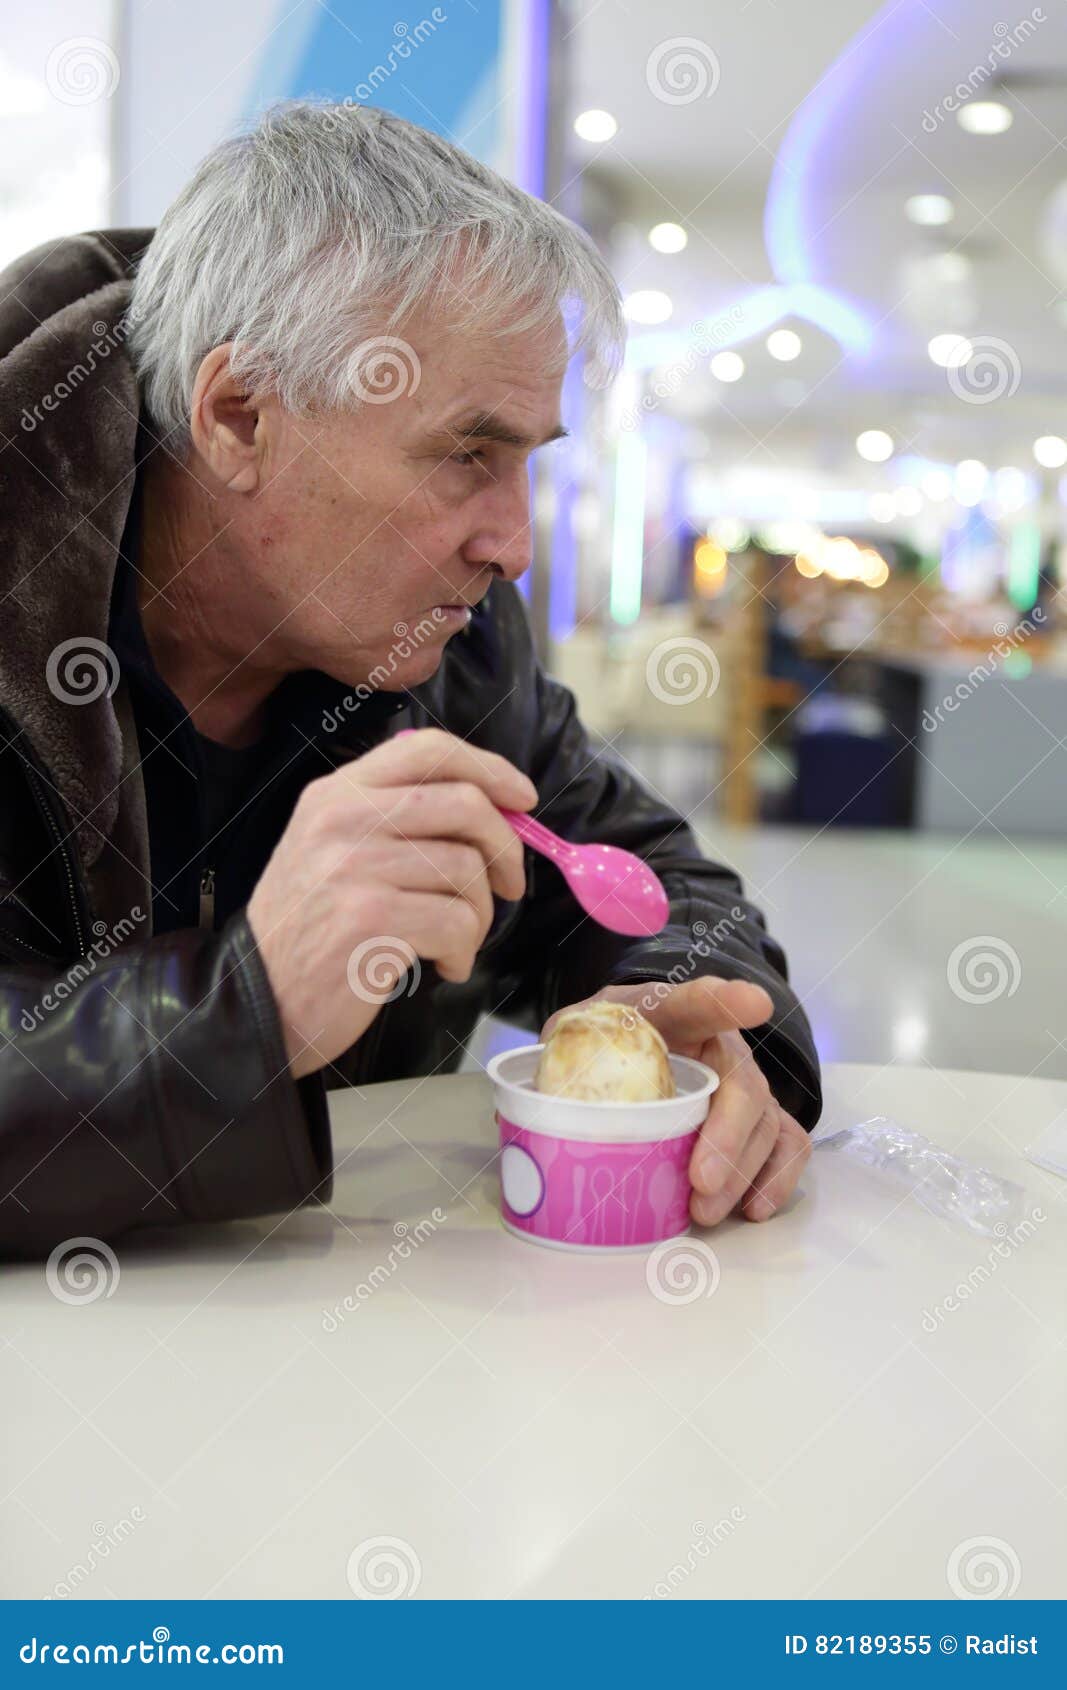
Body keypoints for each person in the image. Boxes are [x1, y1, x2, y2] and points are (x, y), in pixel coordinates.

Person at [0, 101, 819, 1259]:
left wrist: (689, 1025)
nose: (514, 542)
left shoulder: (456, 645)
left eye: (527, 463)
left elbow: (641, 876)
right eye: (466, 454)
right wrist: (244, 1009)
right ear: (238, 415)